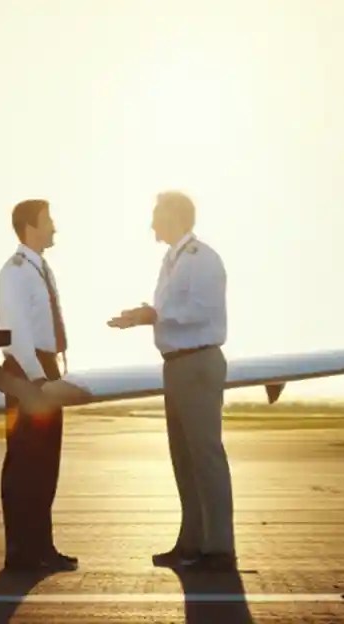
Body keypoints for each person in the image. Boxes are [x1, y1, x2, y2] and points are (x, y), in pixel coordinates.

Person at [108, 191, 235, 572]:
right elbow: (171, 311)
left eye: (157, 214)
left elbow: (201, 310)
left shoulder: (202, 258)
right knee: (184, 459)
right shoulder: (173, 260)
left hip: (197, 362)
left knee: (205, 456)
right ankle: (191, 543)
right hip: (177, 365)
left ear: (175, 216)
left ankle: (219, 549)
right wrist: (146, 315)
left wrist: (154, 313)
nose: (152, 222)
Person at [0, 198, 79, 572]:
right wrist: (38, 379)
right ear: (31, 226)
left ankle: (41, 548)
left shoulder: (40, 269)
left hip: (44, 367)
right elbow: (16, 333)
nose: (54, 227)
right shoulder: (14, 272)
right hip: (28, 373)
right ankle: (21, 553)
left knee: (45, 463)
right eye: (48, 220)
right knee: (25, 463)